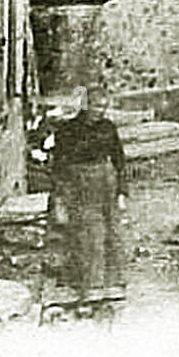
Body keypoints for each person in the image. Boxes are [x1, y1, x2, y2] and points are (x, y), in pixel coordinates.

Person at [50, 84, 128, 302]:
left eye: (104, 106)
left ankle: (114, 283)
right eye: (96, 105)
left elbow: (120, 161)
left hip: (107, 184)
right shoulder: (67, 130)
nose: (100, 110)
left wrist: (122, 192)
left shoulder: (108, 128)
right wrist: (60, 198)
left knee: (113, 232)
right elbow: (59, 167)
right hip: (81, 187)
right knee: (89, 234)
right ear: (85, 105)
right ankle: (91, 284)